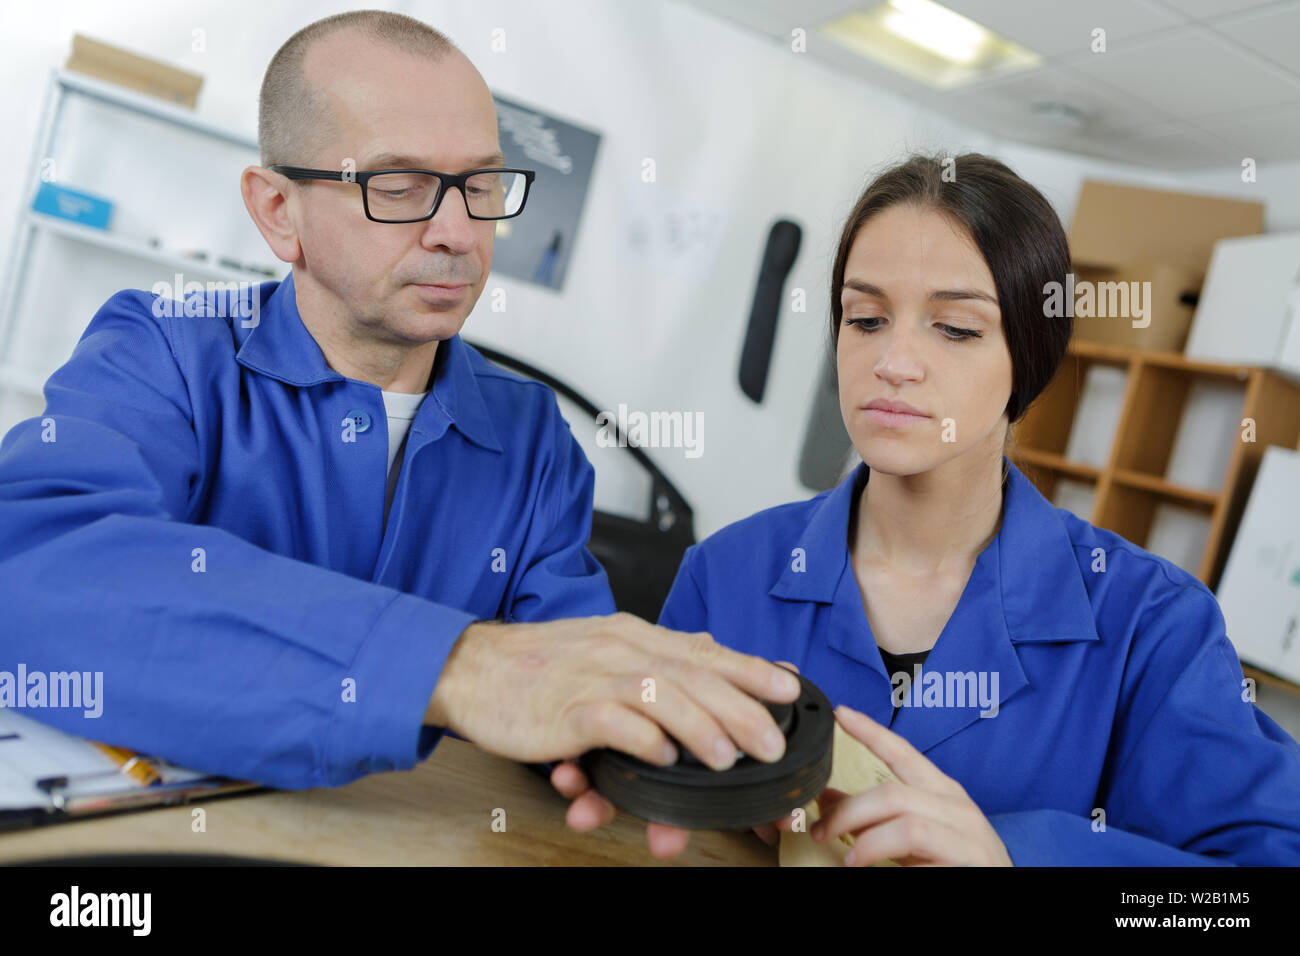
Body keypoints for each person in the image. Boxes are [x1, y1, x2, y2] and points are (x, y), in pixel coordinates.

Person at [0, 10, 799, 857]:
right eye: (399, 187)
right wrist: (453, 666)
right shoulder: (163, 350)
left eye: (481, 185)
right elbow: (32, 573)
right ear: (278, 210)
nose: (458, 232)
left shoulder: (535, 444)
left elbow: (568, 672)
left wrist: (693, 756)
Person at [630, 152, 1300, 865]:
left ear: (1029, 360)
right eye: (865, 318)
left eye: (954, 329)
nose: (893, 359)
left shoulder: (1152, 625)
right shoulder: (723, 576)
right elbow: (648, 809)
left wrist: (1018, 857)